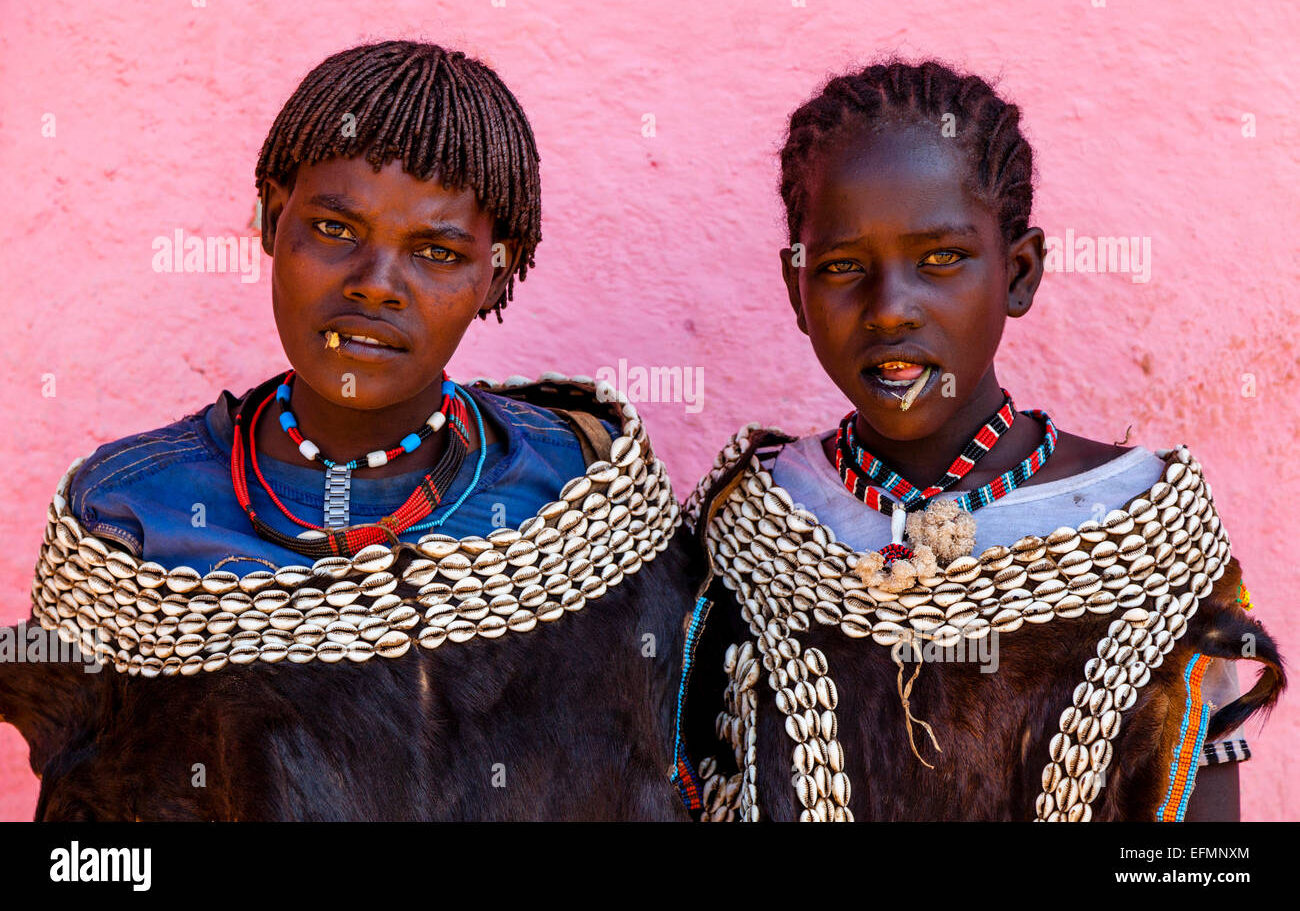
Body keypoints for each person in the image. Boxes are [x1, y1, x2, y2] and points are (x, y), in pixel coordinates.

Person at [1, 41, 700, 820]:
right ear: (271, 215)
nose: (376, 285)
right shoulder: (130, 516)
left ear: (496, 274)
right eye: (335, 230)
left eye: (437, 252)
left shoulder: (579, 489)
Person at [672, 59, 1282, 822]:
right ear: (797, 290)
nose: (890, 308)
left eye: (941, 259)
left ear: (1019, 273)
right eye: (841, 267)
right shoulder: (748, 529)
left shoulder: (1145, 530)